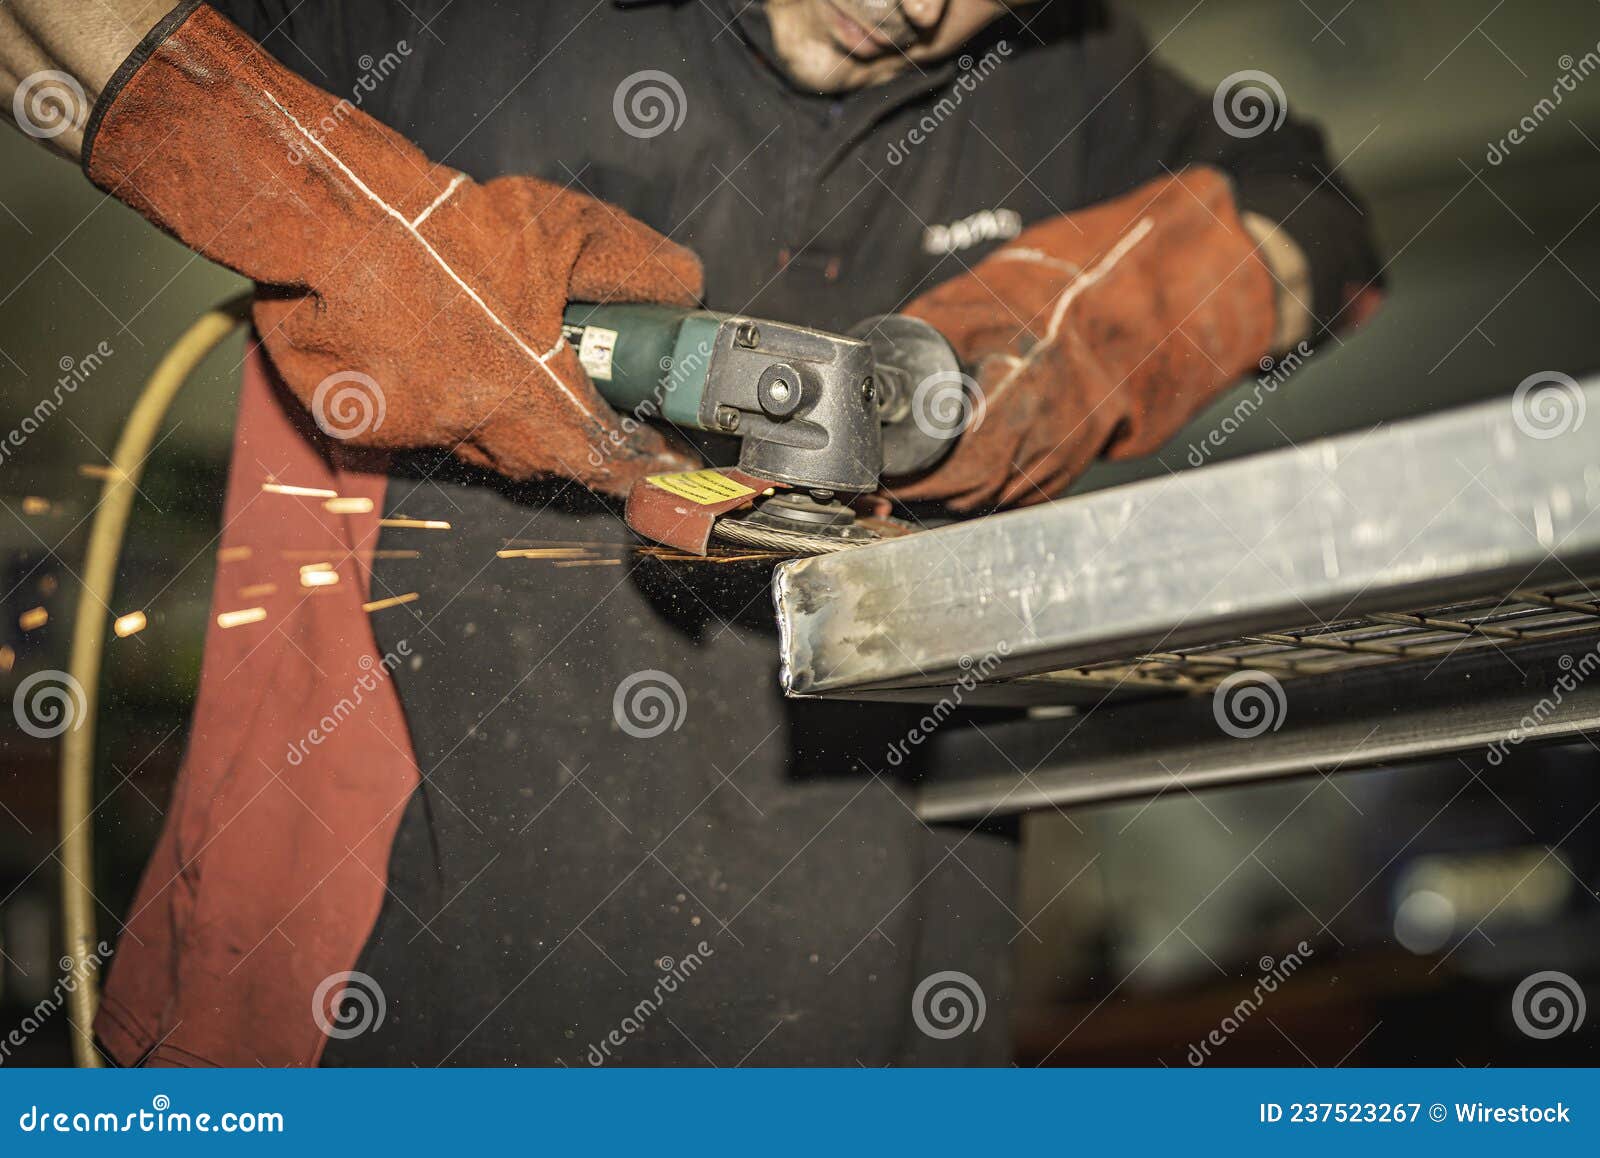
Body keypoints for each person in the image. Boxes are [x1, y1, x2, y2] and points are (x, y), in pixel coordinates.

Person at [1, 0, 1380, 1066]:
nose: (909, 9)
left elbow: (1313, 207)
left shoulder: (1062, 76)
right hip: (381, 1015)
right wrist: (360, 235)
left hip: (879, 1028)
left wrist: (1069, 347)